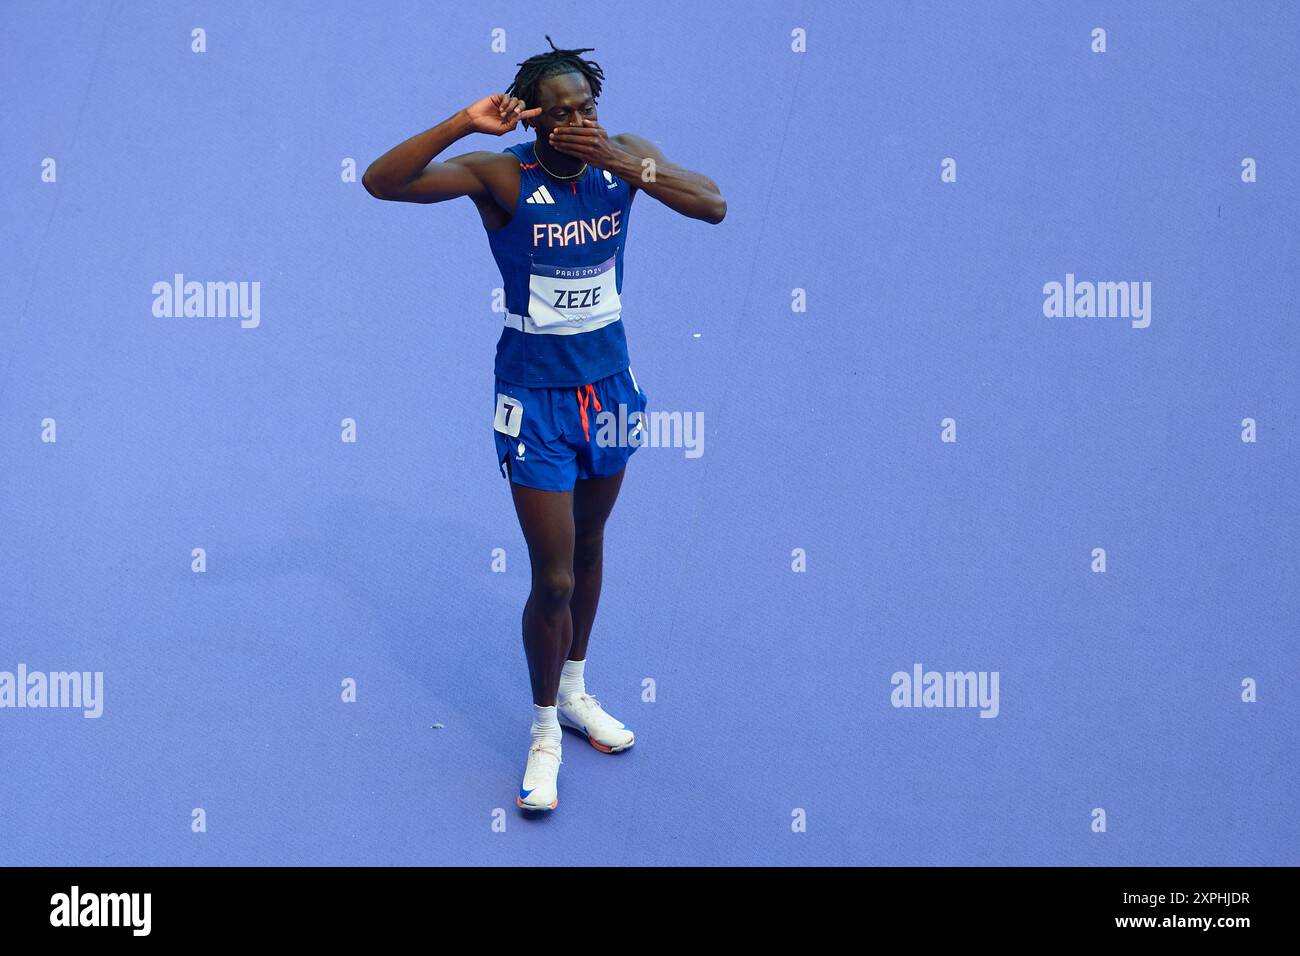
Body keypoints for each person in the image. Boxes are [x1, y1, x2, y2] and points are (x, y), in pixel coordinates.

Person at [362, 37, 726, 811]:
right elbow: (381, 181)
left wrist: (625, 165)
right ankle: (542, 732)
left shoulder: (626, 159)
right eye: (559, 113)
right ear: (533, 121)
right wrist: (463, 121)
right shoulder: (503, 176)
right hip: (535, 403)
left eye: (586, 107)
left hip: (612, 395)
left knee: (592, 549)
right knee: (553, 575)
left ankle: (576, 689)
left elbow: (711, 203)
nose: (577, 121)